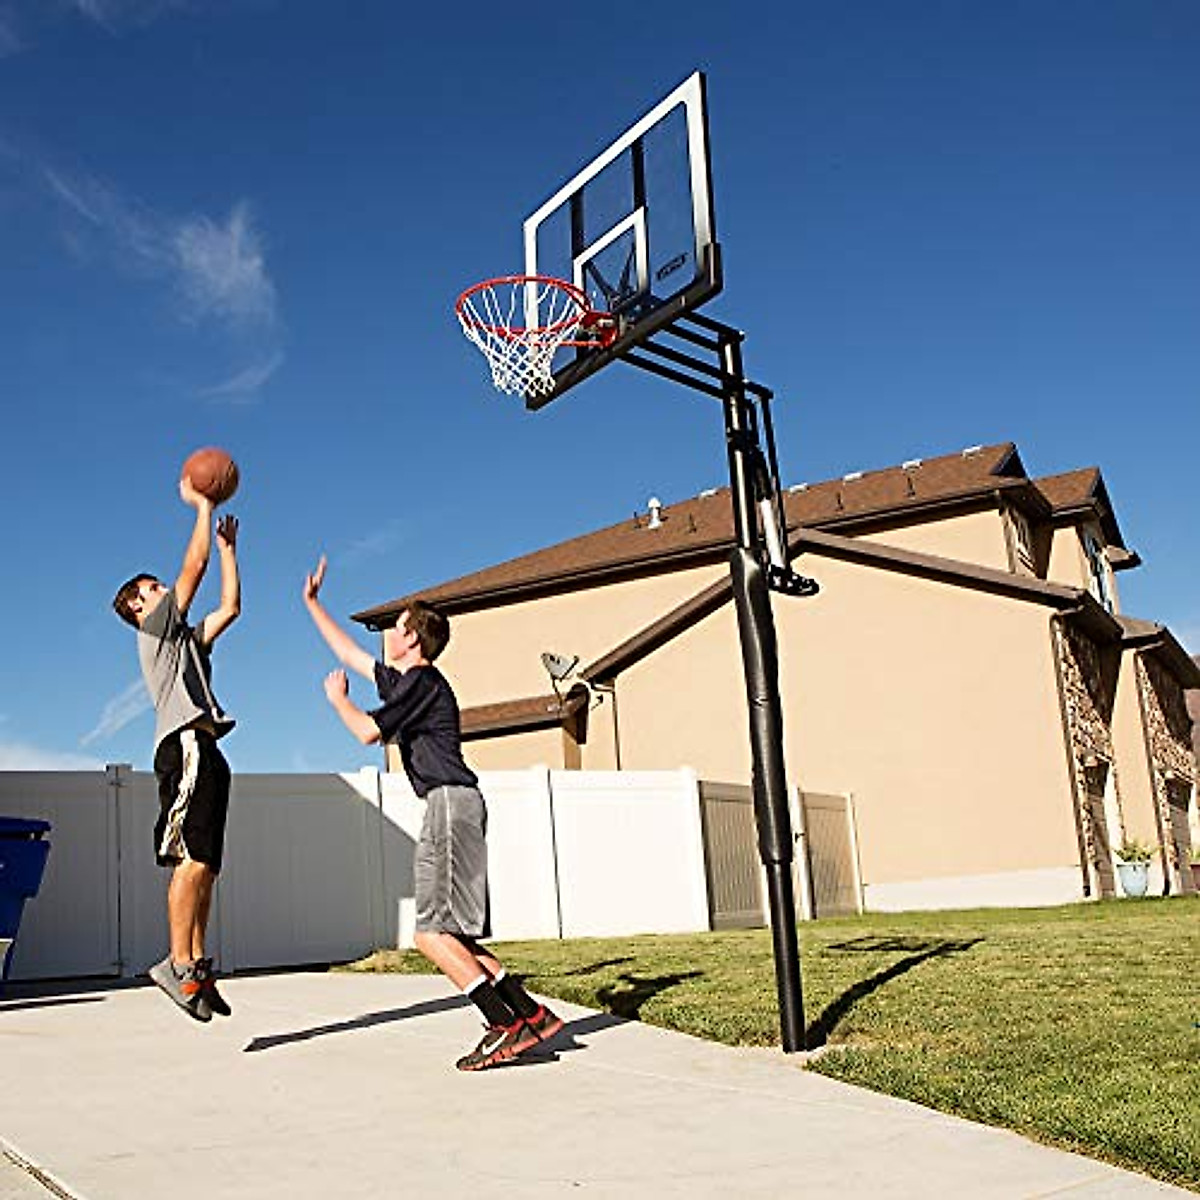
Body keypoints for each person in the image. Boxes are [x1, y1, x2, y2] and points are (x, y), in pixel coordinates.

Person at [302, 555, 563, 1071]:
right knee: (456, 936)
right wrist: (312, 604)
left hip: (448, 805)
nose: (388, 635)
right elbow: (350, 654)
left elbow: (367, 733)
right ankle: (532, 1014)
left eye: (396, 628)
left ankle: (503, 1025)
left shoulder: (421, 683)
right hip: (457, 804)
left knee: (429, 934)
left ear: (413, 639)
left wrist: (338, 702)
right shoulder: (408, 683)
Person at [111, 477, 240, 1023]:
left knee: (206, 866)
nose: (165, 590)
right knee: (190, 862)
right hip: (184, 744)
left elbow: (230, 607)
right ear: (140, 608)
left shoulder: (186, 639)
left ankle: (196, 965)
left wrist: (231, 551)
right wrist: (202, 506)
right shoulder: (157, 631)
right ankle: (177, 964)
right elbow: (195, 568)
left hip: (208, 748)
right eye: (155, 588)